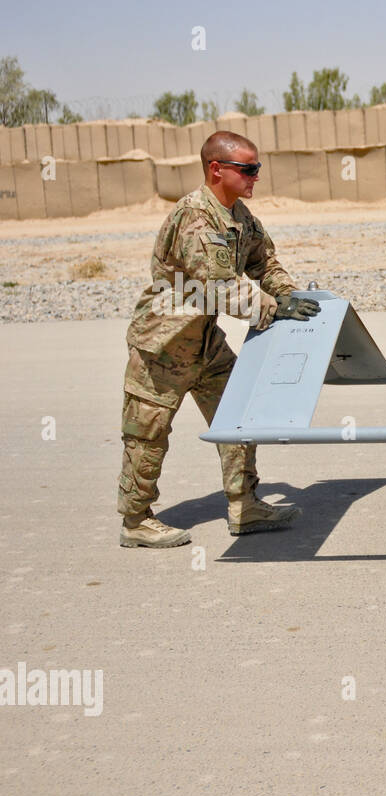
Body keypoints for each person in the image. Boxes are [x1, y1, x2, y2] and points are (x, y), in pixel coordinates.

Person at [118, 130, 320, 548]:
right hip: (164, 345)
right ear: (217, 169)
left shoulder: (239, 216)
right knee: (148, 434)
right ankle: (136, 520)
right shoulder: (194, 217)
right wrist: (273, 308)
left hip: (205, 342)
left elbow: (264, 262)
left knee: (238, 418)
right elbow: (218, 285)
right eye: (248, 169)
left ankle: (244, 505)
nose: (255, 177)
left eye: (257, 168)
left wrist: (289, 295)